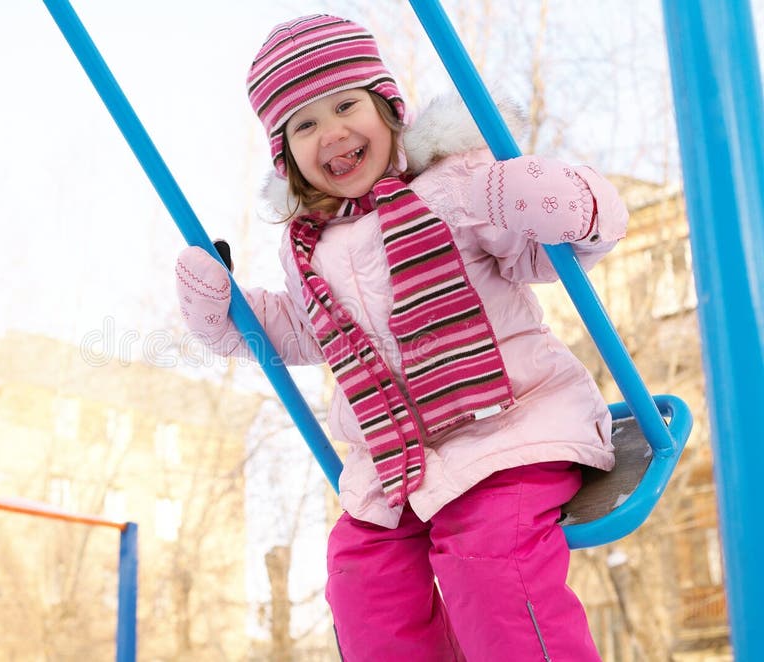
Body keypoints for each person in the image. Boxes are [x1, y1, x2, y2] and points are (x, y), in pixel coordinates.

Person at [175, 14, 627, 661]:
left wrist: (565, 203)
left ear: (387, 108)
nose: (330, 131)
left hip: (511, 432)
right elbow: (304, 332)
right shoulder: (308, 246)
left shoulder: (456, 186)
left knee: (489, 558)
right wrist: (224, 314)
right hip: (394, 466)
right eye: (303, 124)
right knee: (359, 578)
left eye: (344, 104)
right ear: (285, 155)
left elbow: (546, 255)